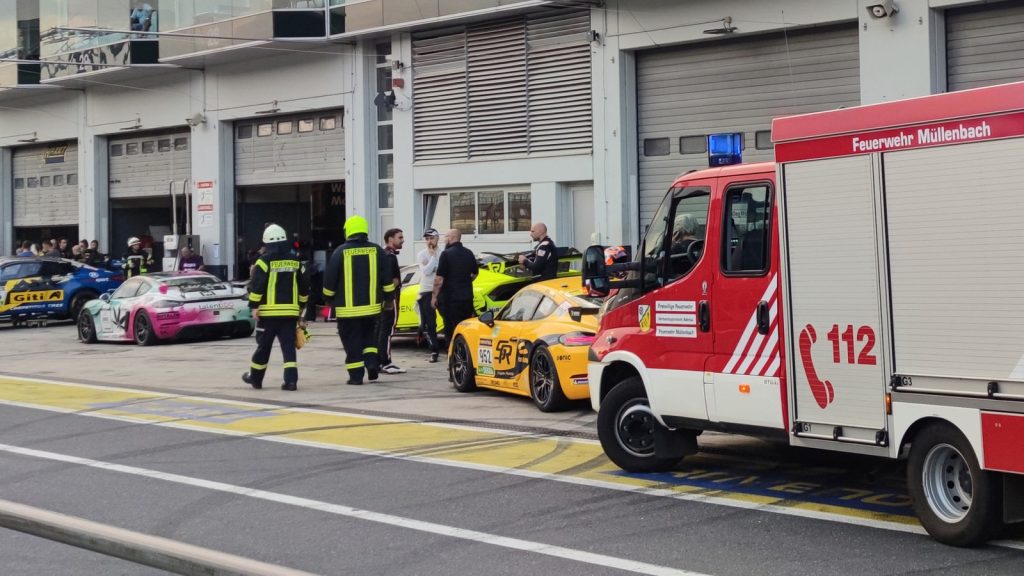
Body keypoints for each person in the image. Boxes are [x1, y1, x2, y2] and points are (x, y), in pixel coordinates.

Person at [323, 215, 395, 386]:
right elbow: (388, 280)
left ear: (348, 231)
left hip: (347, 311)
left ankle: (356, 376)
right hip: (372, 309)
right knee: (369, 339)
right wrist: (388, 300)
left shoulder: (340, 251)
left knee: (352, 341)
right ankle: (371, 364)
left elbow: (329, 280)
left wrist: (328, 298)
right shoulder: (377, 250)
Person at [242, 224, 309, 392]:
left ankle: (256, 378)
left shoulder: (263, 262)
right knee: (288, 348)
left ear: (268, 242)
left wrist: (254, 306)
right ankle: (291, 381)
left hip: (268, 314)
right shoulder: (296, 261)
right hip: (289, 314)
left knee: (263, 347)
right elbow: (304, 287)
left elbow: (258, 286)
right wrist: (301, 308)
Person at [432, 229, 477, 379]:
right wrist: (464, 283)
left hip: (450, 299)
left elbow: (439, 279)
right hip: (466, 299)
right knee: (464, 333)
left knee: (451, 334)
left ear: (451, 238)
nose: (444, 239)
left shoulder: (446, 254)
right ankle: (465, 364)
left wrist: (434, 297)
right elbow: (475, 273)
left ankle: (453, 367)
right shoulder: (469, 253)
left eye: (446, 236)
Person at [377, 228, 406, 375]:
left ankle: (379, 361)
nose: (403, 240)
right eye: (400, 237)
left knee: (382, 330)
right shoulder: (389, 257)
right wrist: (390, 293)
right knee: (387, 330)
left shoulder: (382, 254)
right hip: (390, 299)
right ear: (390, 239)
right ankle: (385, 362)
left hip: (383, 299)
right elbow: (390, 280)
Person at [416, 228, 442, 363]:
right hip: (426, 291)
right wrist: (432, 257)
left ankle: (452, 347)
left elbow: (442, 270)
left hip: (442, 290)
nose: (429, 241)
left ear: (437, 238)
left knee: (448, 320)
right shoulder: (422, 254)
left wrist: (434, 260)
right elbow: (426, 271)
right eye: (426, 239)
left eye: (431, 238)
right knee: (429, 324)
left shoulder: (443, 253)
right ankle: (434, 350)